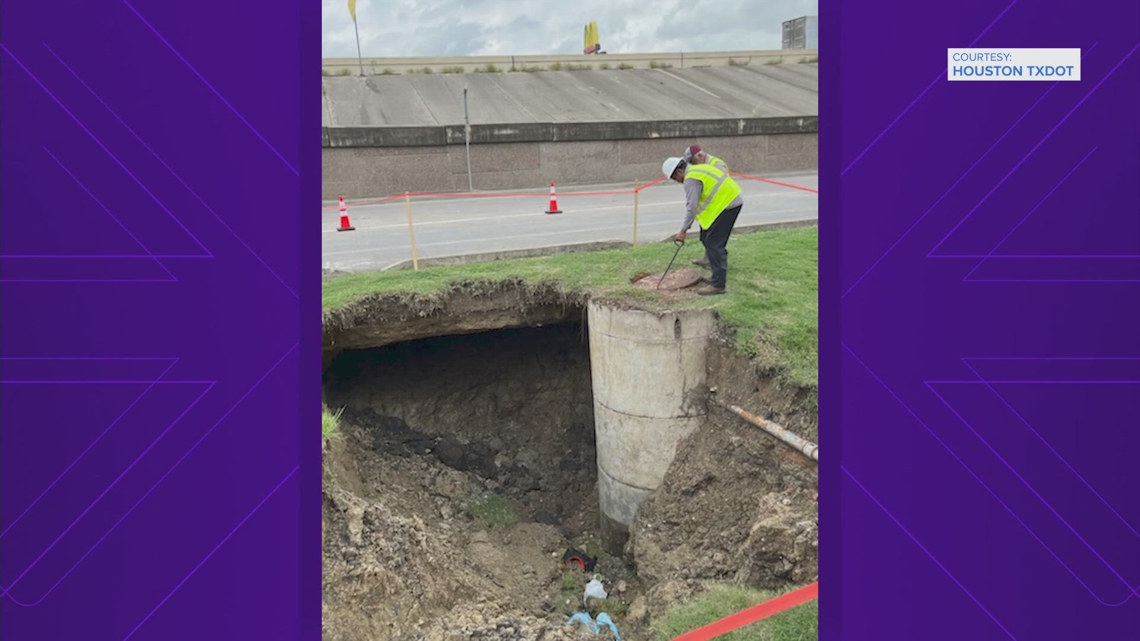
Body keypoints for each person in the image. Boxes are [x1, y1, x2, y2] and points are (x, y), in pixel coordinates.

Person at [661, 156, 743, 296]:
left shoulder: (691, 179)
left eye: (675, 179)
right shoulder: (698, 169)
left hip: (727, 205)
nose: (677, 182)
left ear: (679, 172)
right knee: (706, 238)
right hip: (726, 203)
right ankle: (716, 274)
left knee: (714, 244)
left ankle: (718, 284)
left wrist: (683, 231)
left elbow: (691, 207)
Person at [681, 145, 728, 268]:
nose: (692, 165)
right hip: (708, 209)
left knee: (714, 240)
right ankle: (707, 259)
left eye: (692, 162)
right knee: (704, 237)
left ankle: (718, 263)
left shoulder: (717, 164)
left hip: (718, 208)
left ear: (700, 156)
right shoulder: (700, 166)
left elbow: (722, 185)